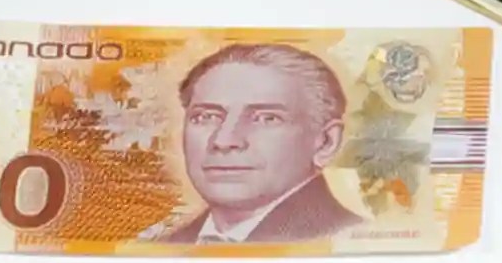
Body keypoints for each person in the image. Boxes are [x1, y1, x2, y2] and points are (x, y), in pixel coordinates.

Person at [143, 43, 363, 244]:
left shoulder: (341, 237)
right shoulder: (168, 243)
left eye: (267, 118)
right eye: (206, 117)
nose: (223, 140)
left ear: (326, 142)